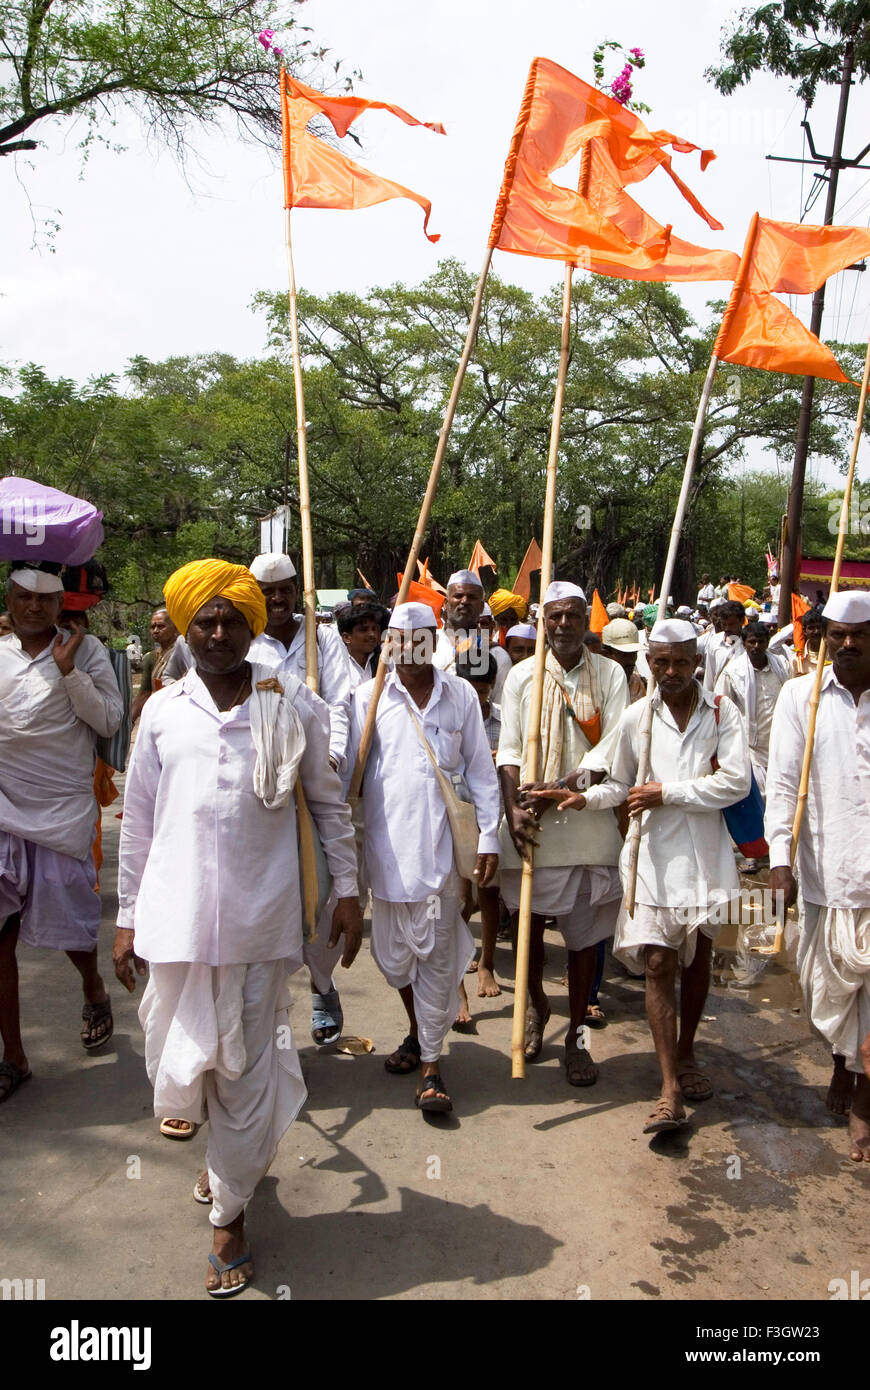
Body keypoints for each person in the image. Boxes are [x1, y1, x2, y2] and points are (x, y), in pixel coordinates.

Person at [114, 559, 361, 1294]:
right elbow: (138, 825)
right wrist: (126, 919)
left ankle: (230, 1214)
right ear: (186, 628)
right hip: (175, 923)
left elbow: (327, 803)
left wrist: (346, 889)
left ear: (256, 625)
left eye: (233, 620)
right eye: (205, 621)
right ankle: (230, 1164)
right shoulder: (162, 710)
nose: (218, 633)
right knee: (185, 1061)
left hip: (261, 922)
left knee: (248, 1071)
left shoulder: (294, 705)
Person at [538, 619, 750, 1132]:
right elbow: (622, 785)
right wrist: (584, 797)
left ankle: (687, 1052)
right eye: (661, 662)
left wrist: (668, 792)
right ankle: (669, 1086)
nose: (671, 671)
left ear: (696, 662)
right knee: (658, 963)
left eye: (680, 661)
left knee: (695, 961)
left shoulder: (722, 713)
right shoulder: (637, 717)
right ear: (649, 664)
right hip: (652, 859)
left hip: (704, 860)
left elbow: (736, 782)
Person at [349, 602, 500, 1114]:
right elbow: (343, 779)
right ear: (387, 644)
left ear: (435, 641)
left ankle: (432, 1067)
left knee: (434, 959)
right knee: (395, 962)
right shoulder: (364, 700)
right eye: (398, 641)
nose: (409, 653)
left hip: (440, 855)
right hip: (386, 860)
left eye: (419, 641)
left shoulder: (459, 696)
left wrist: (489, 838)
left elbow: (480, 771)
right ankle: (419, 1032)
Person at [0, 565, 123, 1102]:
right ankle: (15, 1058)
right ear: (9, 599)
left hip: (62, 812)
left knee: (72, 925)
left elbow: (109, 723)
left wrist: (69, 672)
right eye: (23, 598)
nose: (33, 607)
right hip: (3, 808)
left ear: (60, 605)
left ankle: (92, 986)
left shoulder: (87, 649)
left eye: (44, 600)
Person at [498, 582, 628, 1086]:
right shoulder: (522, 677)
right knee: (527, 933)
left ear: (586, 622)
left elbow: (615, 750)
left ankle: (578, 1035)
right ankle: (534, 1009)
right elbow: (509, 751)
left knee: (584, 940)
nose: (563, 625)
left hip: (588, 823)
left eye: (573, 616)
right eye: (554, 617)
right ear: (543, 620)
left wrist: (559, 787)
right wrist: (512, 807)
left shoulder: (611, 674)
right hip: (532, 823)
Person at [765, 590, 870, 1163]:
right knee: (827, 990)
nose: (849, 644)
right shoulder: (798, 698)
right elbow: (783, 786)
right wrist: (779, 859)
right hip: (825, 874)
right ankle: (841, 1061)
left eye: (861, 634)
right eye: (839, 635)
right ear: (826, 637)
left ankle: (863, 1100)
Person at [247, 552, 353, 1048]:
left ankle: (322, 986)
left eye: (285, 588)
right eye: (266, 591)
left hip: (311, 788)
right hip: (261, 789)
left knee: (322, 896)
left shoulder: (323, 637)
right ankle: (271, 1021)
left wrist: (330, 755)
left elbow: (339, 702)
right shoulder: (244, 639)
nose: (277, 598)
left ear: (298, 591)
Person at [454, 653, 503, 999]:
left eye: (483, 691)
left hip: (490, 814)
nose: (478, 696)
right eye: (472, 688)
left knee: (487, 892)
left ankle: (487, 962)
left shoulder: (503, 719)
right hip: (456, 814)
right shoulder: (449, 717)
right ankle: (456, 980)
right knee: (457, 898)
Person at [714, 620, 789, 794]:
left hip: (781, 742)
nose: (756, 646)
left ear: (767, 642)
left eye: (760, 642)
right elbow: (721, 708)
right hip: (751, 749)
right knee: (759, 797)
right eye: (751, 642)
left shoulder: (782, 666)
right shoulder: (733, 672)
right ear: (744, 643)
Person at [434, 569, 512, 702]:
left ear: (482, 607)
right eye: (458, 596)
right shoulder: (428, 644)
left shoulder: (498, 655)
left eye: (472, 597)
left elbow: (500, 710)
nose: (464, 601)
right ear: (446, 604)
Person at [132, 608, 178, 723]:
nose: (156, 630)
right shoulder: (151, 658)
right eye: (152, 627)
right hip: (160, 714)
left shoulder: (184, 654)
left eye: (161, 626)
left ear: (175, 628)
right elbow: (144, 693)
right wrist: (128, 723)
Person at [338, 602, 388, 688]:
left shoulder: (386, 661)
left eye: (374, 629)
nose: (372, 634)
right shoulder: (338, 665)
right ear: (346, 637)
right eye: (364, 630)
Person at [702, 599, 745, 690]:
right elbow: (710, 674)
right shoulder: (715, 641)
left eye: (731, 624)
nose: (727, 628)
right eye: (724, 624)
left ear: (741, 621)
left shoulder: (750, 643)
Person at [601, 618, 645, 703]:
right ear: (606, 654)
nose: (630, 660)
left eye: (633, 653)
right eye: (623, 654)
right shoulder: (594, 686)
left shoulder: (640, 685)